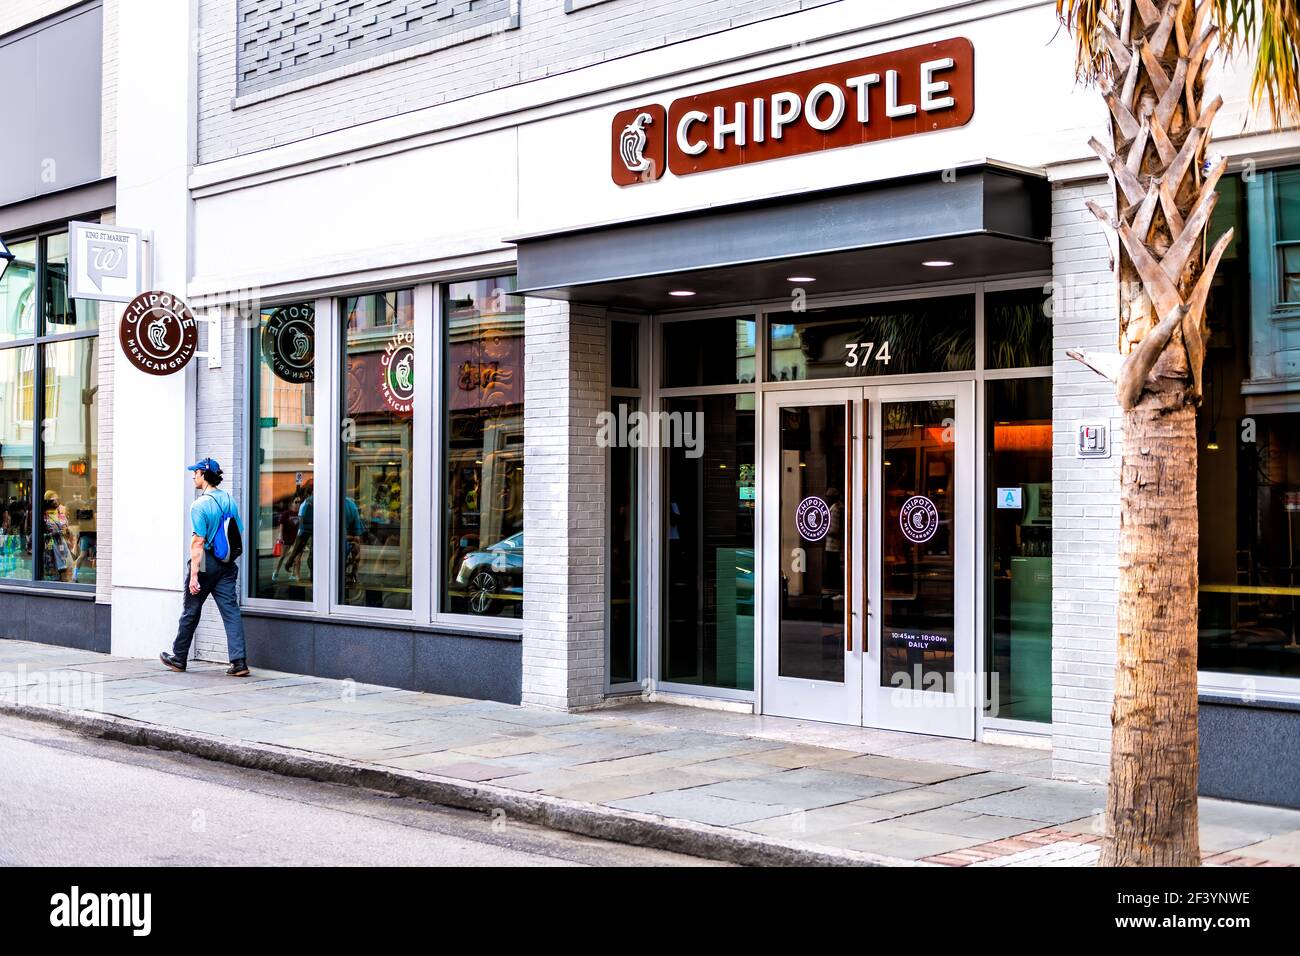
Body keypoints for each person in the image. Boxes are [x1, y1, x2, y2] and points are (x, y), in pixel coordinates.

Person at [160, 457, 249, 677]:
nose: (193, 476)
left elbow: (198, 542)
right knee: (231, 612)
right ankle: (239, 662)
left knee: (191, 610)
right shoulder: (230, 500)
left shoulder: (199, 505)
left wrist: (194, 575)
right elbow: (239, 530)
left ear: (203, 475)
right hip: (227, 564)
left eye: (196, 472)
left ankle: (179, 658)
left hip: (206, 563)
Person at [41, 491, 78, 583]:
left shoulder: (61, 513)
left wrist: (67, 531)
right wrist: (51, 534)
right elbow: (38, 531)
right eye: (53, 500)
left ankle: (67, 584)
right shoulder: (43, 515)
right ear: (47, 501)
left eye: (57, 499)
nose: (56, 501)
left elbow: (66, 527)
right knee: (53, 571)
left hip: (62, 545)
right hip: (50, 546)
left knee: (67, 567)